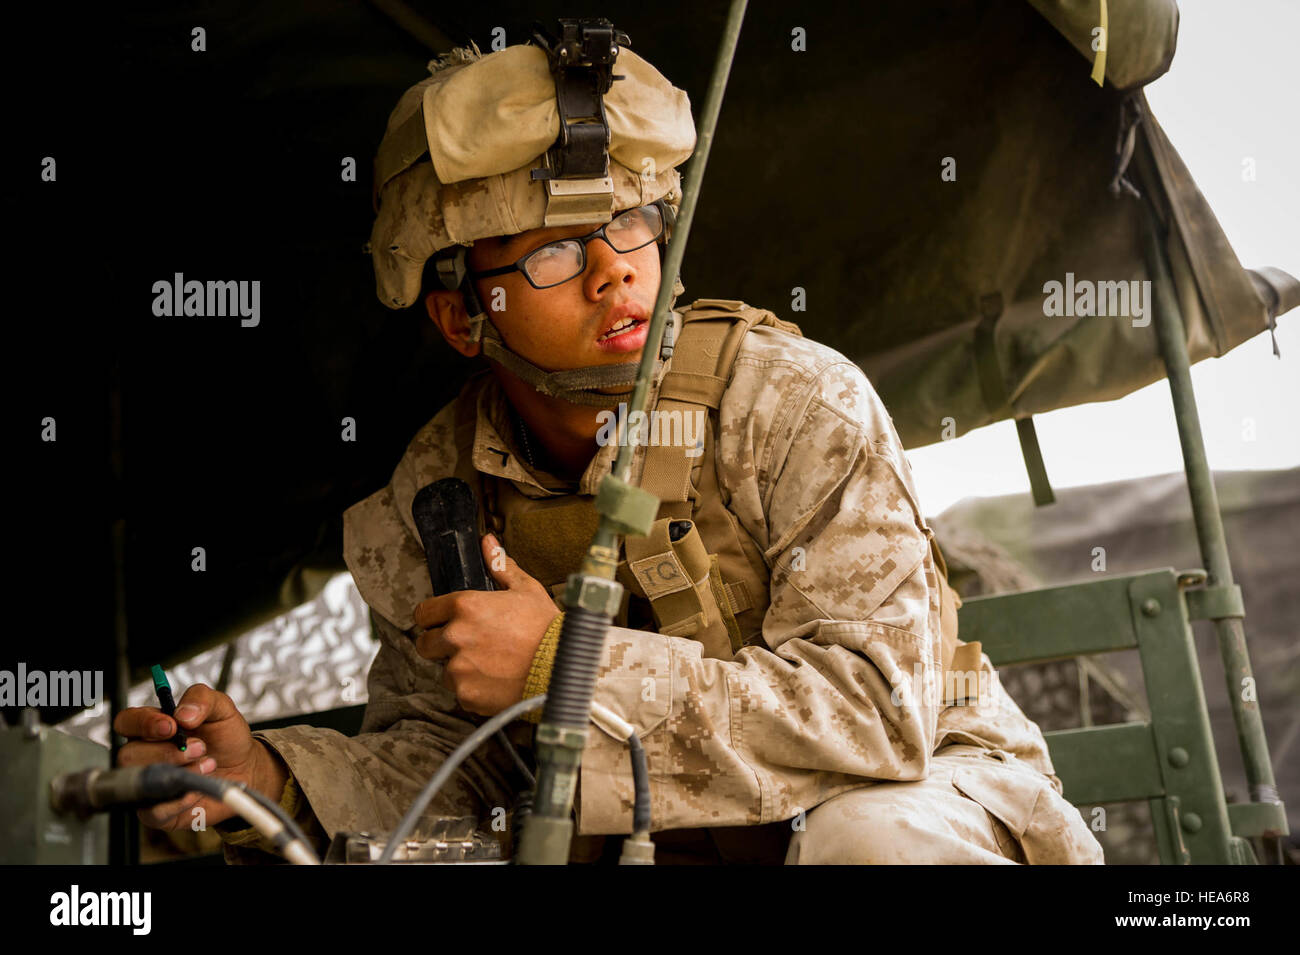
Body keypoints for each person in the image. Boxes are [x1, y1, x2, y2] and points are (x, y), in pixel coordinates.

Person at [114, 34, 1103, 865]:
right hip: (654, 839)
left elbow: (872, 719)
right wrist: (276, 775)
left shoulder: (792, 400)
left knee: (867, 842)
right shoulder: (438, 491)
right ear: (462, 316)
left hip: (931, 785)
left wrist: (560, 661)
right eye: (551, 250)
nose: (613, 274)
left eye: (631, 223)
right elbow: (464, 777)